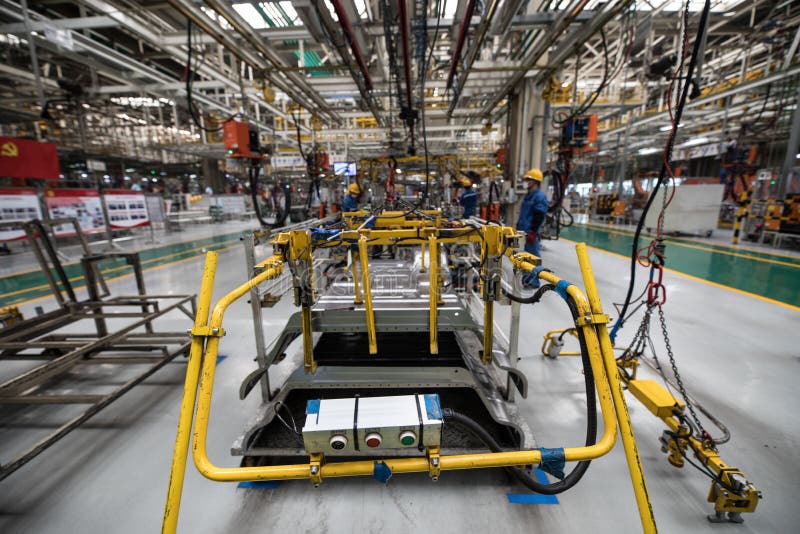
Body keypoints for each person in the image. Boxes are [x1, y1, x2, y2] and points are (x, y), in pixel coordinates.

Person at [516, 168, 548, 288]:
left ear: (534, 181)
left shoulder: (539, 196)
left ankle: (534, 282)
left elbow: (539, 215)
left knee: (533, 258)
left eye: (528, 179)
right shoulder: (528, 195)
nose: (525, 181)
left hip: (531, 233)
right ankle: (527, 279)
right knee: (526, 257)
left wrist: (533, 232)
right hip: (524, 231)